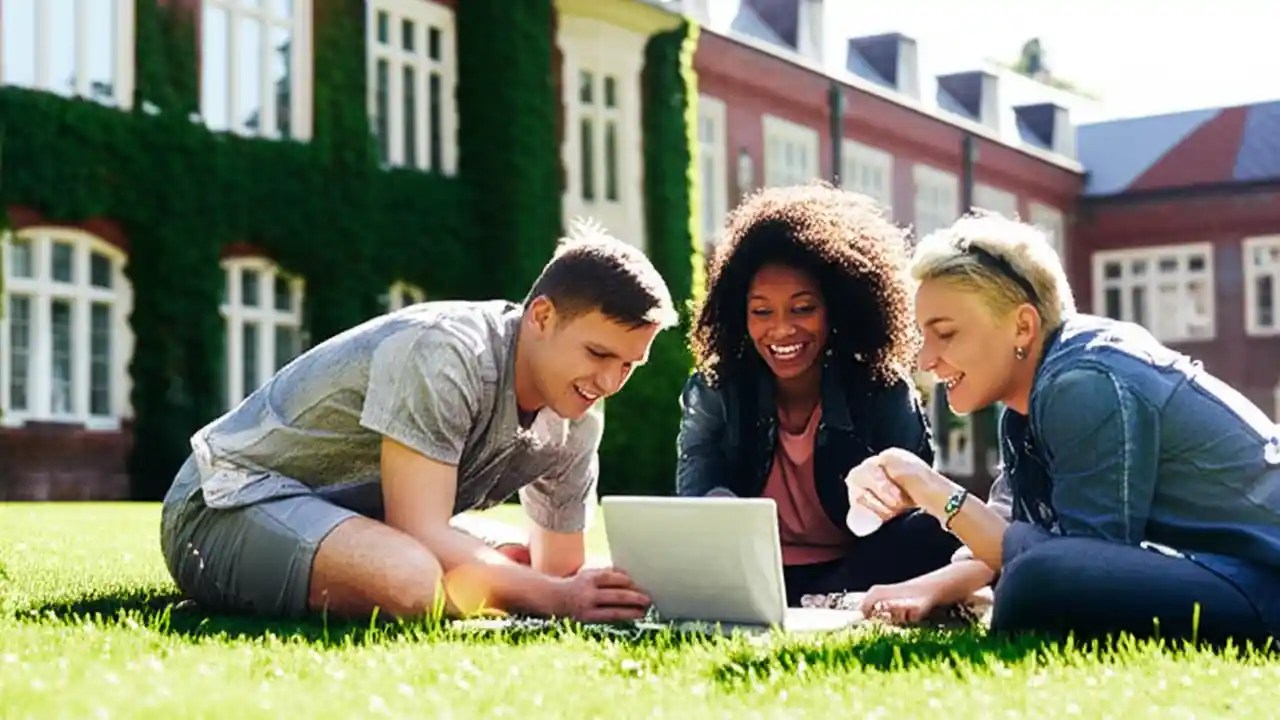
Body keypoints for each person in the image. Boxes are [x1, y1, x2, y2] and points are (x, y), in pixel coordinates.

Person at [160, 222, 677, 623]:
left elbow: (557, 567)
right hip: (227, 503)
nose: (609, 381)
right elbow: (421, 531)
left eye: (628, 366)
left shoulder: (578, 413)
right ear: (541, 317)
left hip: (359, 521)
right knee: (411, 581)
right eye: (598, 353)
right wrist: (553, 597)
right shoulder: (446, 352)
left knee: (517, 564)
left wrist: (578, 591)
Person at [848, 210, 1280, 643]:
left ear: (1022, 326)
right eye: (925, 336)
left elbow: (1082, 560)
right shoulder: (1029, 402)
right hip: (1233, 574)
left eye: (945, 333)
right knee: (1034, 575)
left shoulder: (1083, 382)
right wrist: (928, 588)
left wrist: (932, 488)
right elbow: (1011, 525)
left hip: (1264, 578)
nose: (925, 360)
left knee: (1038, 579)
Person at [676, 183, 961, 607]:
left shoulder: (881, 388)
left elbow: (918, 500)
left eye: (803, 308)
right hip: (752, 572)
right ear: (740, 314)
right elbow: (695, 491)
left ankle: (827, 599)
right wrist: (721, 508)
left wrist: (888, 498)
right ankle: (817, 601)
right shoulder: (715, 389)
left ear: (837, 307)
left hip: (857, 566)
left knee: (933, 531)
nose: (782, 330)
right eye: (761, 312)